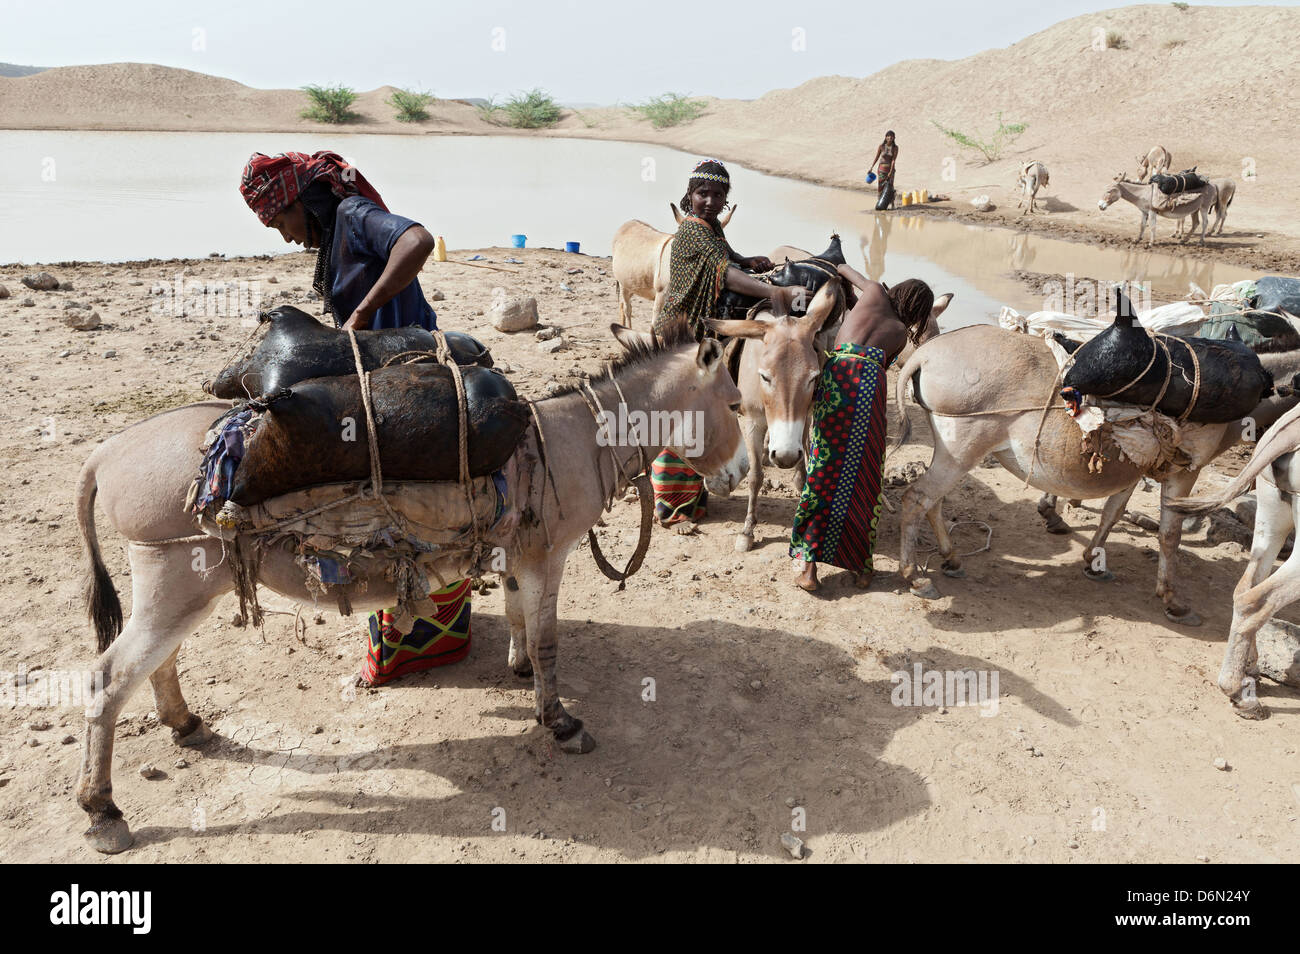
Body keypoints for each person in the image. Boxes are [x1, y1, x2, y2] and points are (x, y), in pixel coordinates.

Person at [239, 150, 472, 686]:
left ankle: (421, 635)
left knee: (413, 502)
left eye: (279, 221)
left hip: (416, 375)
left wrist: (365, 313)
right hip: (383, 385)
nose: (283, 235)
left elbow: (417, 241)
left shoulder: (351, 216)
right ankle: (414, 628)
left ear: (299, 202)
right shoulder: (330, 244)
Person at [650, 158, 804, 526]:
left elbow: (728, 258)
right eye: (703, 193)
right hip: (683, 331)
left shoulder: (712, 226)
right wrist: (774, 290)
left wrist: (747, 258)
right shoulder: (691, 231)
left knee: (701, 410)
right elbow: (726, 275)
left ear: (725, 200)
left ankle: (695, 494)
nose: (710, 200)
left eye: (718, 195)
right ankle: (672, 503)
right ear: (689, 195)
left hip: (704, 328)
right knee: (682, 412)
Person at [790, 264, 934, 592]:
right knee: (862, 477)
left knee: (823, 470)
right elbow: (879, 356)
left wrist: (855, 289)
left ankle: (809, 571)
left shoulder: (875, 293)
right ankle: (860, 566)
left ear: (897, 289)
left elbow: (841, 269)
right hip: (870, 388)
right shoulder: (900, 332)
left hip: (838, 375)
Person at [869, 131, 898, 201]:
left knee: (890, 186)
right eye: (888, 136)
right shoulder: (881, 146)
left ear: (894, 138)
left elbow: (893, 160)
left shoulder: (895, 147)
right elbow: (877, 157)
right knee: (880, 185)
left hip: (890, 169)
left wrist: (891, 171)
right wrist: (871, 167)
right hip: (881, 169)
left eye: (892, 136)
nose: (890, 137)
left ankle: (892, 203)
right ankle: (879, 201)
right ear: (885, 137)